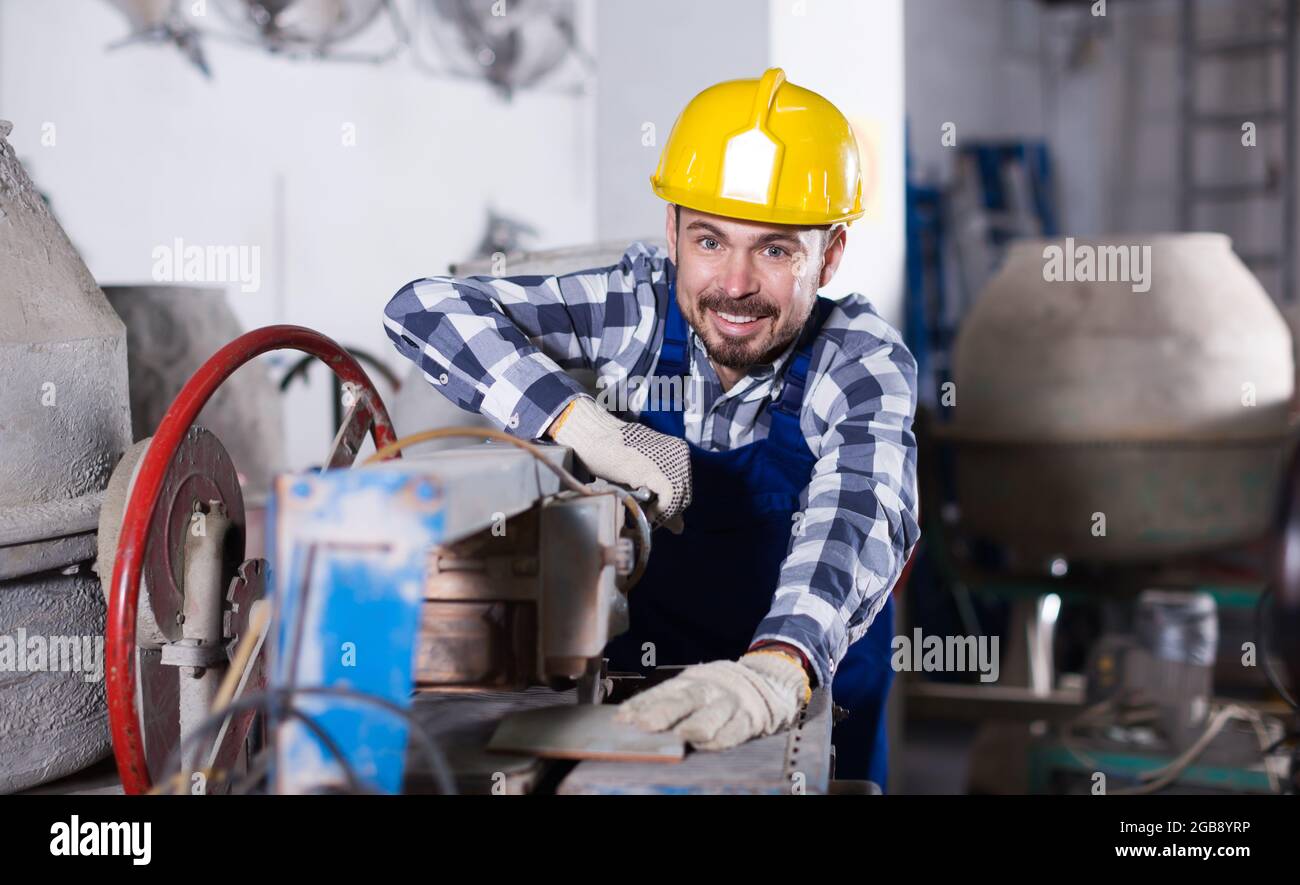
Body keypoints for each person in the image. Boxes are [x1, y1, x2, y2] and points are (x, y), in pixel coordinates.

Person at [384, 68, 920, 786]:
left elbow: (861, 504)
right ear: (670, 232)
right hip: (644, 690)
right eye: (709, 240)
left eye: (776, 249)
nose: (734, 284)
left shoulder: (859, 358)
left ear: (829, 255)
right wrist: (584, 424)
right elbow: (421, 309)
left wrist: (777, 666)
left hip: (809, 692)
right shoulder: (634, 308)